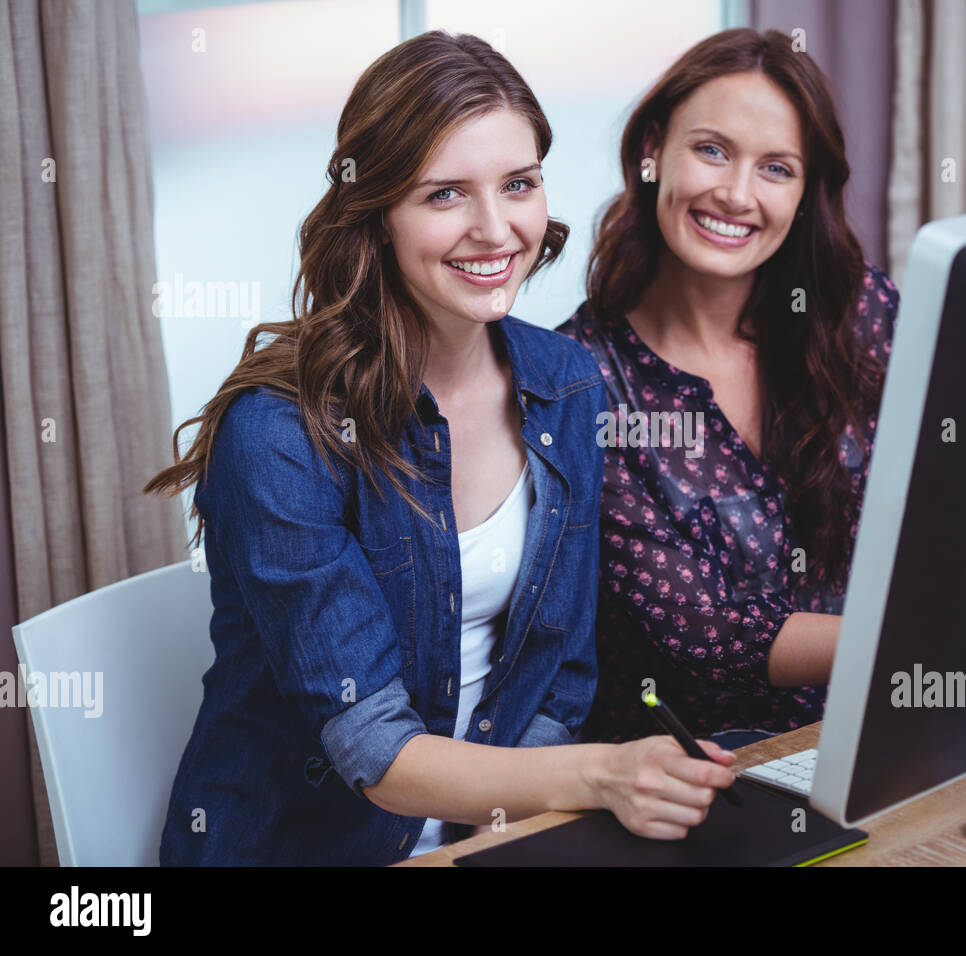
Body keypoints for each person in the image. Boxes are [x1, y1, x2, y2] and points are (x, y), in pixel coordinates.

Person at [145, 30, 734, 866]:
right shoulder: (280, 432)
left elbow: (559, 678)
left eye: (519, 185)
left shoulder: (566, 383)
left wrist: (509, 840)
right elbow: (374, 754)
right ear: (378, 213)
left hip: (487, 841)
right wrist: (602, 776)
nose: (495, 230)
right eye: (445, 194)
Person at [559, 28, 900, 747]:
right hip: (698, 778)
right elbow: (707, 637)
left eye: (777, 168)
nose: (736, 194)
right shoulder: (578, 379)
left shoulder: (862, 312)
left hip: (887, 730)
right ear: (654, 150)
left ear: (808, 191)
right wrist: (931, 636)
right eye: (711, 150)